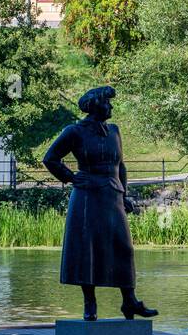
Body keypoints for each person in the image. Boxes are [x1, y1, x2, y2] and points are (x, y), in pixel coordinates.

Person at [43, 86, 158, 321]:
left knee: (123, 248)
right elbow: (50, 158)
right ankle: (90, 303)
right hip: (87, 198)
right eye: (108, 102)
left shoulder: (114, 131)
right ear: (96, 105)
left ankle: (129, 302)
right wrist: (71, 177)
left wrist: (124, 194)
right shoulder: (75, 132)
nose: (112, 106)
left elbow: (121, 166)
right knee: (89, 249)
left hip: (112, 196)